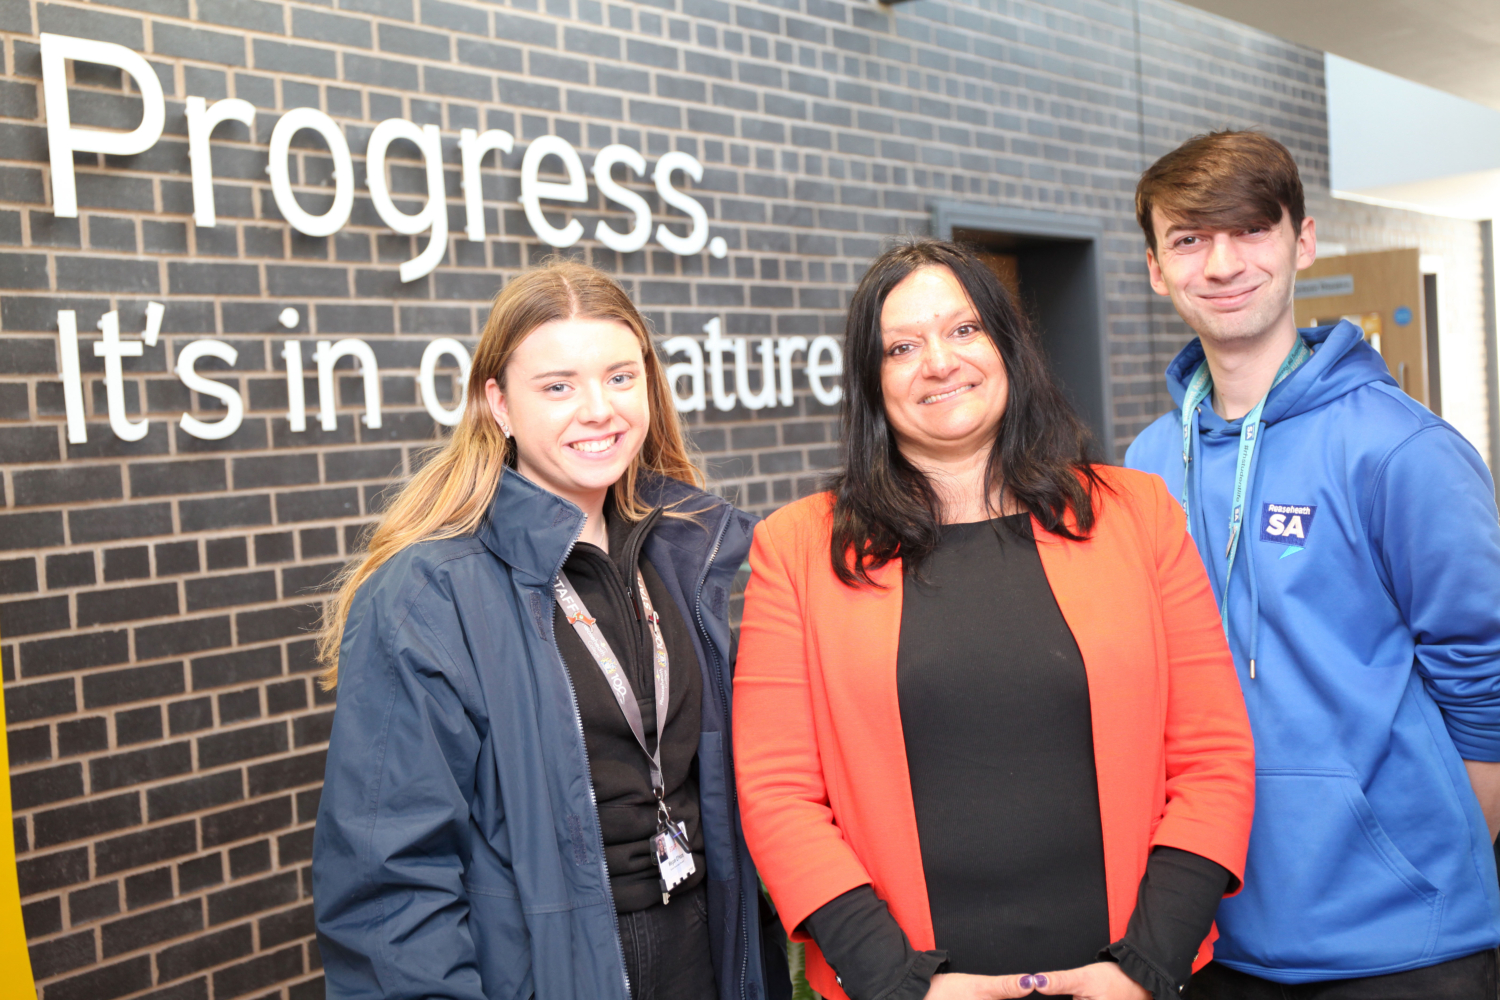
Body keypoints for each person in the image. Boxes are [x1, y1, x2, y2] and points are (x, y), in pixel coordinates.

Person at [733, 239, 1256, 1000]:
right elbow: (778, 792)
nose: (939, 362)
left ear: (1008, 346)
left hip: (1131, 976)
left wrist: (1145, 967)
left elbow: (1213, 755)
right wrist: (902, 984)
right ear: (872, 382)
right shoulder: (800, 549)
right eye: (902, 347)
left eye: (964, 330)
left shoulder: (1137, 516)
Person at [311, 260, 781, 1000]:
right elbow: (389, 886)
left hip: (705, 946)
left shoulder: (682, 551)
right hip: (549, 969)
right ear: (497, 403)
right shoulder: (427, 594)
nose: (598, 409)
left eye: (621, 378)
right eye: (558, 386)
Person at [1125, 130, 1500, 998]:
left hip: (1403, 946)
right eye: (1189, 239)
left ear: (1303, 242)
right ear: (1155, 267)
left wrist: (1417, 855)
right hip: (1209, 938)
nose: (1222, 263)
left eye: (1251, 230)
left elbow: (1485, 681)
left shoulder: (1401, 448)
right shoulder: (1147, 463)